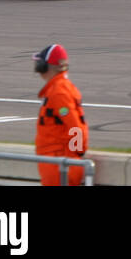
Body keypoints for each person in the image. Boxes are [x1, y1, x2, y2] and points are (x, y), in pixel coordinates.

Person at [32, 43, 88, 186]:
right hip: (58, 161)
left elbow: (74, 125)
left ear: (47, 66)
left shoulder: (58, 92)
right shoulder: (59, 88)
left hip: (59, 163)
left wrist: (73, 157)